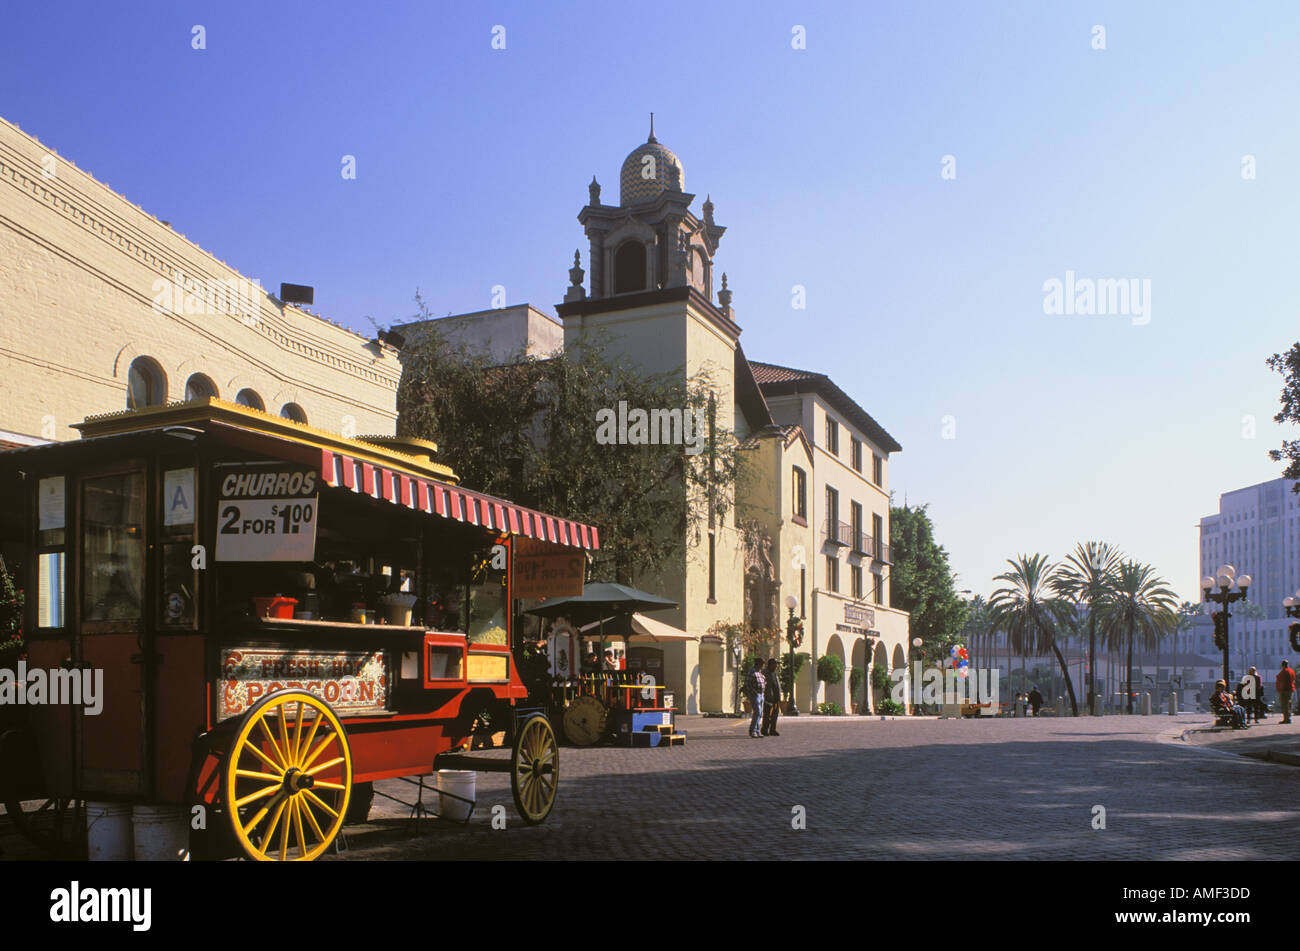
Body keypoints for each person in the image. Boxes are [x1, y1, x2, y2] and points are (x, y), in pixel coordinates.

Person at [744, 659, 766, 738]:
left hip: (761, 695)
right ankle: (752, 730)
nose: (763, 666)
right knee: (757, 712)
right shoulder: (751, 672)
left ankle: (757, 730)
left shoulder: (759, 672)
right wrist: (754, 692)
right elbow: (747, 684)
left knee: (760, 713)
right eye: (762, 664)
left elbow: (763, 681)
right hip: (755, 695)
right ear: (758, 664)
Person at [761, 658, 782, 736]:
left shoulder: (774, 673)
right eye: (775, 664)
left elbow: (776, 685)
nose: (776, 666)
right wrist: (766, 697)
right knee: (767, 715)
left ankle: (773, 729)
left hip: (776, 698)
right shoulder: (764, 673)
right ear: (770, 664)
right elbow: (765, 686)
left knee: (775, 715)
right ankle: (764, 729)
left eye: (776, 664)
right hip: (768, 698)